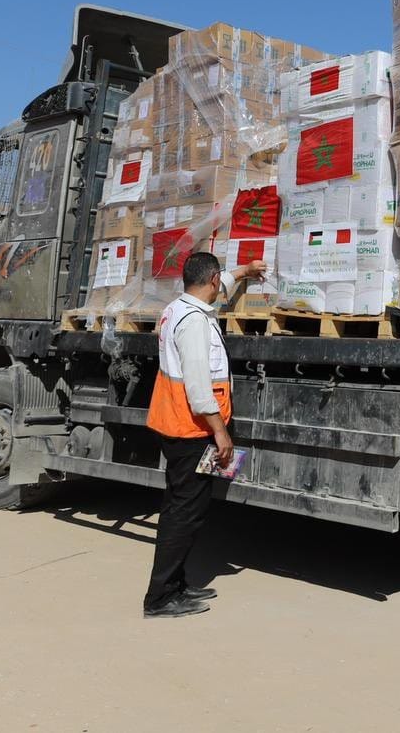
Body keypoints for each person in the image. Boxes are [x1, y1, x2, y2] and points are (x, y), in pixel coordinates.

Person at [142, 250, 266, 618]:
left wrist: (243, 272)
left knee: (181, 508)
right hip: (192, 428)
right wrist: (221, 433)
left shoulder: (176, 309)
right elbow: (198, 386)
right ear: (211, 280)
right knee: (184, 513)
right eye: (220, 279)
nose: (221, 284)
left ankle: (176, 584)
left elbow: (219, 287)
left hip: (179, 425)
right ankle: (160, 598)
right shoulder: (194, 322)